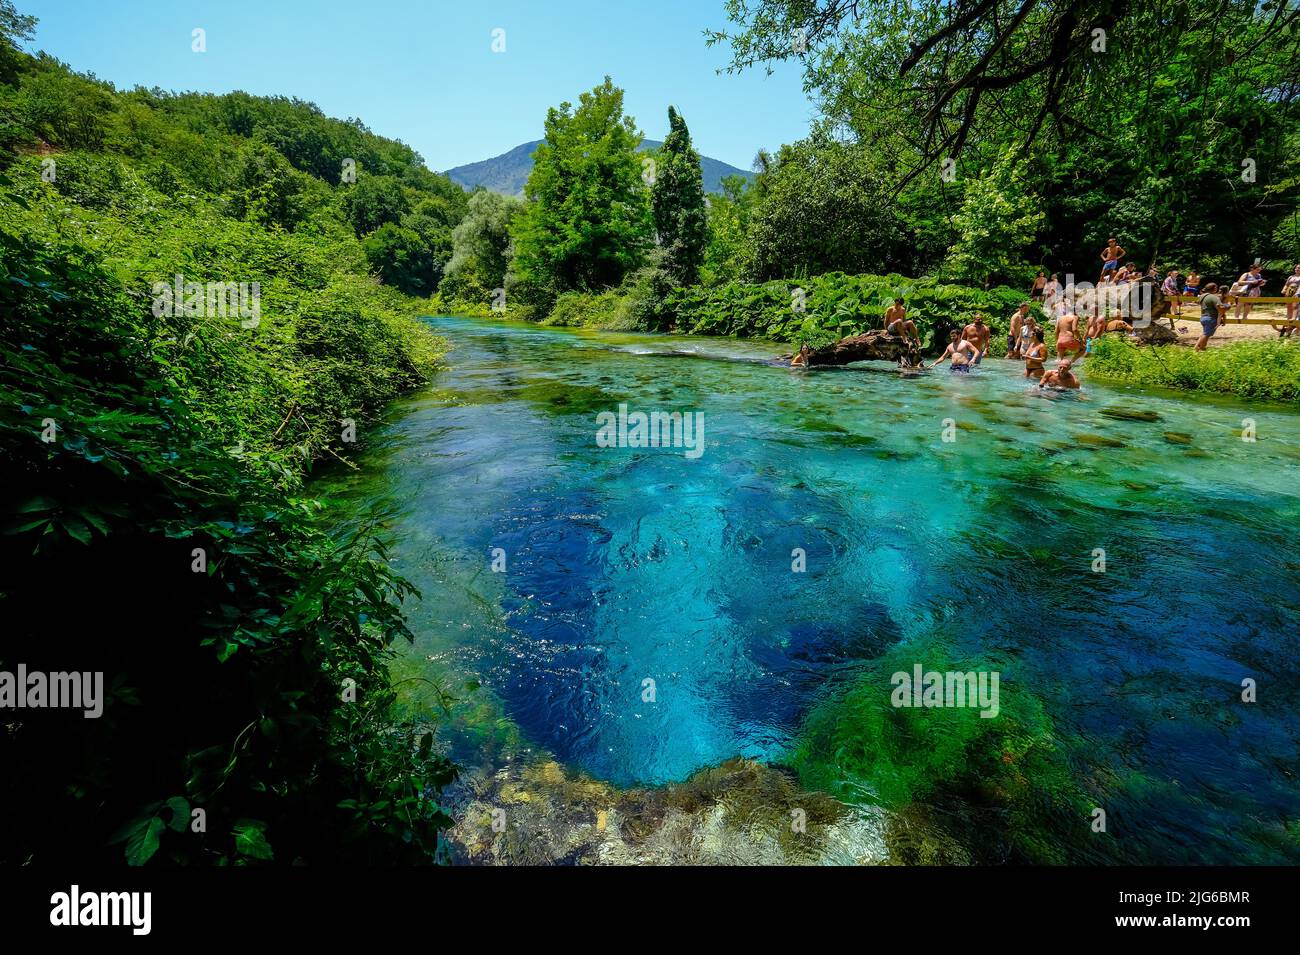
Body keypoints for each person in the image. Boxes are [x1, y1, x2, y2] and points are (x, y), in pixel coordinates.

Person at [1196, 283, 1226, 351]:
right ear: (1214, 289)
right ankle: (1199, 349)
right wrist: (1226, 308)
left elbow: (1197, 302)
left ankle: (1198, 349)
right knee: (1206, 335)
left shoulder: (1202, 296)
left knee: (1204, 334)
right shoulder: (1214, 297)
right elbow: (1220, 307)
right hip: (1211, 318)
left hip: (1203, 317)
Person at [1278, 264, 1300, 337]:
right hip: (1289, 293)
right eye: (1297, 268)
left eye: (1299, 268)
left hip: (1297, 294)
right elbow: (1286, 284)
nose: (1297, 269)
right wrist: (1284, 289)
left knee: (1295, 307)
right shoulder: (1291, 277)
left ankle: (1293, 325)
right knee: (1289, 308)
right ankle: (1289, 322)